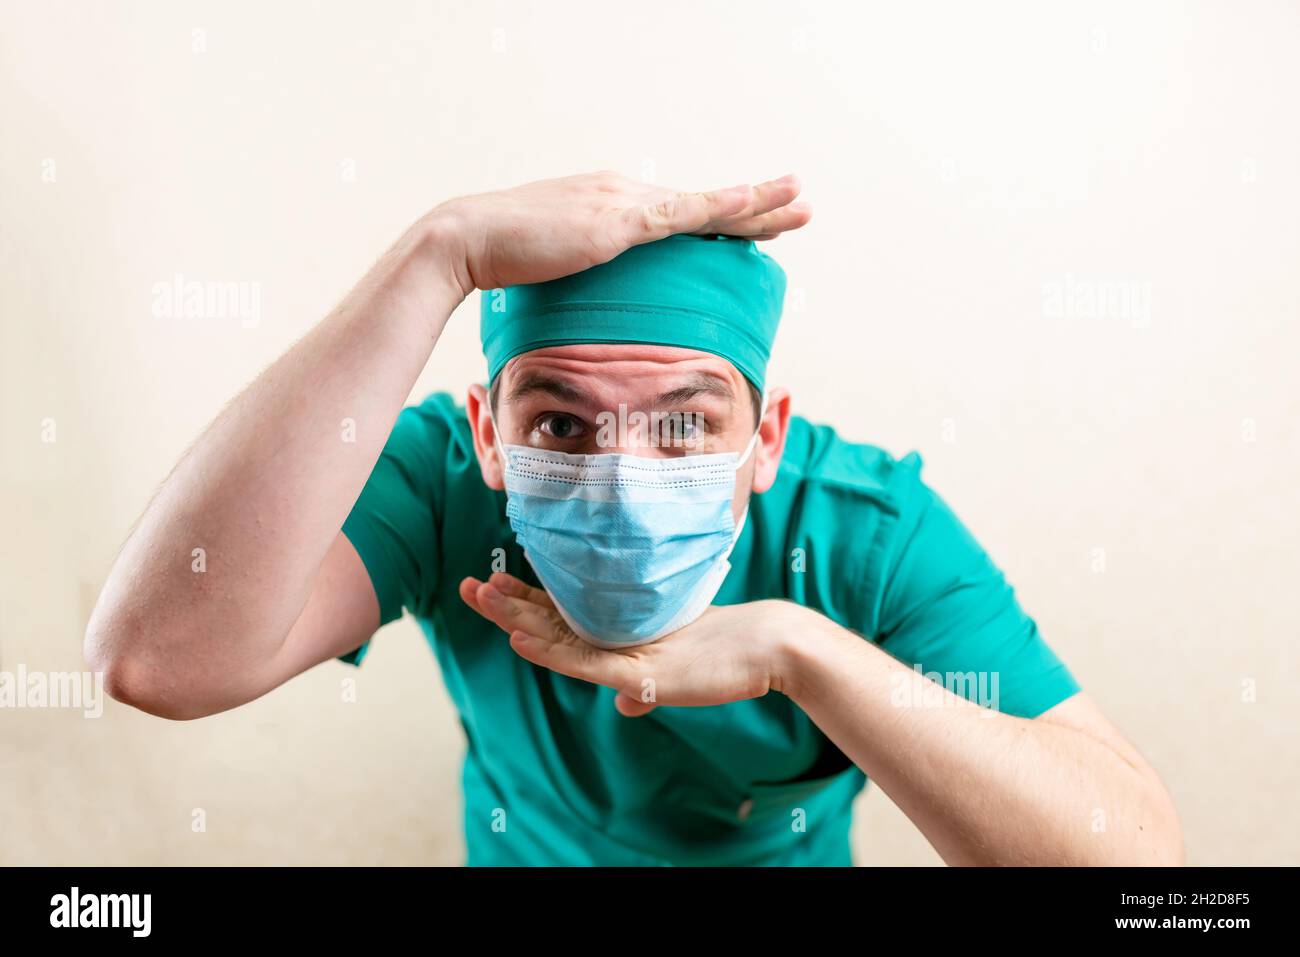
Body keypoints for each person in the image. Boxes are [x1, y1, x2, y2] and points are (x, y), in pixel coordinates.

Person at [85, 171, 1183, 866]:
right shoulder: (444, 484)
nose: (618, 481)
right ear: (484, 431)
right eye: (561, 427)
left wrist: (800, 651)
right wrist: (439, 252)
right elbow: (156, 661)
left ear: (766, 439)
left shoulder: (862, 528)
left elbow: (1130, 870)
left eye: (684, 425)